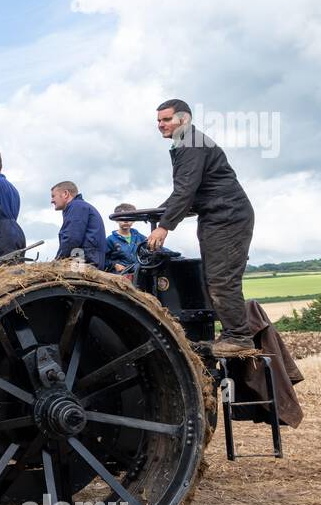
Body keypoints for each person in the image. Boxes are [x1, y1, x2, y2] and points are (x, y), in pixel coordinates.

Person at [147, 98, 256, 357]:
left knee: (221, 279)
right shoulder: (186, 142)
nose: (160, 125)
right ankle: (231, 333)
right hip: (216, 216)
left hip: (227, 216)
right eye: (158, 120)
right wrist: (155, 212)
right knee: (213, 277)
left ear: (183, 119)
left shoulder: (191, 143)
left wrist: (164, 227)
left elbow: (186, 191)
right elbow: (182, 193)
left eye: (166, 119)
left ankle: (239, 337)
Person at [50, 181, 106, 269]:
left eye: (53, 196)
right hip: (89, 259)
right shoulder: (79, 207)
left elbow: (71, 238)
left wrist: (58, 261)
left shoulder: (76, 206)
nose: (52, 201)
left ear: (65, 194)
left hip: (86, 263)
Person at [106, 202, 148, 276]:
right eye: (122, 217)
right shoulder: (110, 240)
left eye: (129, 217)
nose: (126, 220)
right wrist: (114, 265)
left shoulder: (139, 237)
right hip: (121, 275)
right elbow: (103, 258)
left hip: (139, 274)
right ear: (116, 219)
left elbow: (154, 246)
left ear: (134, 220)